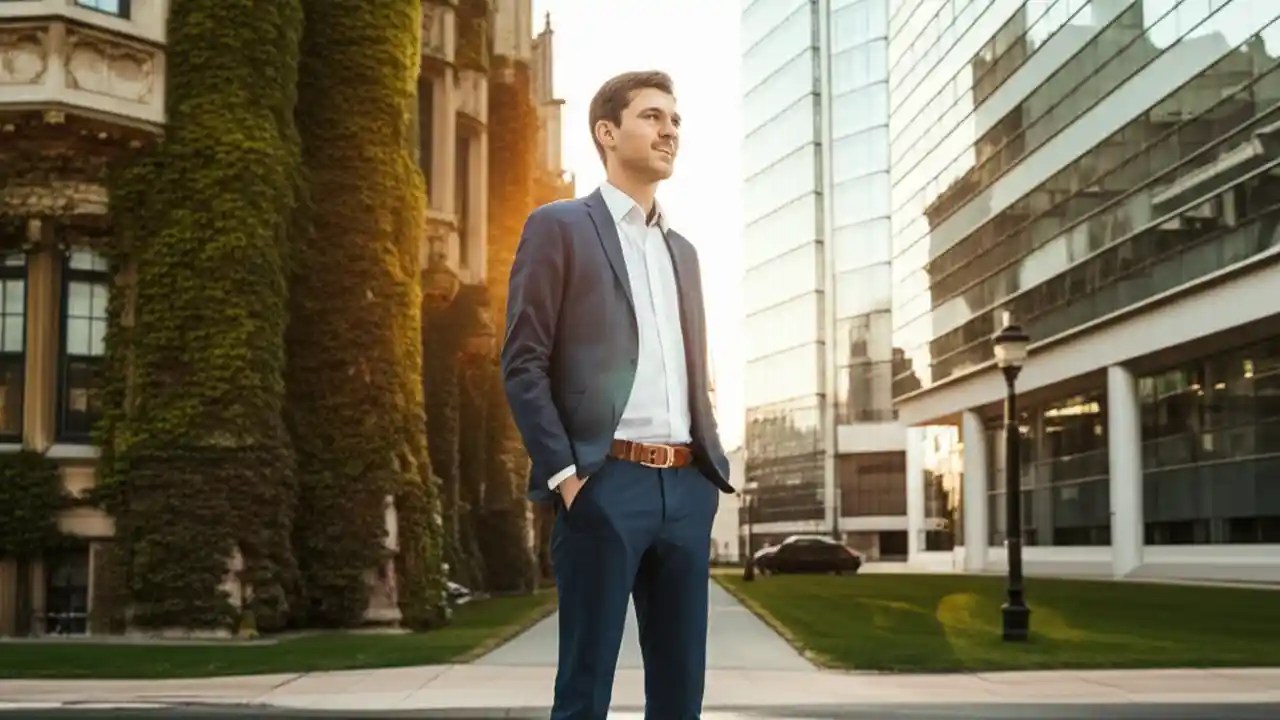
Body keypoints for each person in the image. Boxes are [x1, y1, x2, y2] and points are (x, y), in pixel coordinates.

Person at [501, 70, 734, 720]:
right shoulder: (560, 227)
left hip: (686, 490)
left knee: (681, 697)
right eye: (652, 117)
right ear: (607, 132)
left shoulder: (685, 253)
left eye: (675, 120)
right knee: (584, 693)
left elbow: (695, 371)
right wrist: (567, 476)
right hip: (604, 485)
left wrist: (708, 475)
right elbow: (522, 362)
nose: (670, 131)